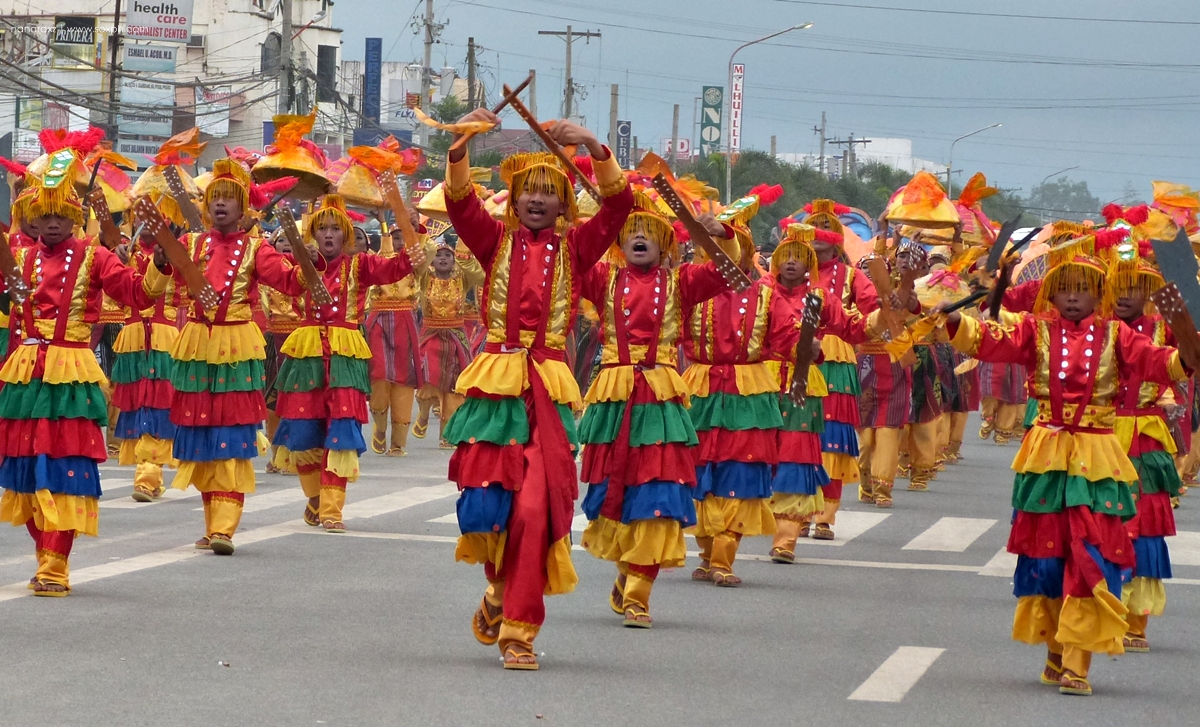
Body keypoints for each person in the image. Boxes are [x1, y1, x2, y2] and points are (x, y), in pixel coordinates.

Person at [942, 246, 1189, 697]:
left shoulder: (1119, 336)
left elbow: (1161, 363)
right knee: (1046, 558)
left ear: (1100, 295)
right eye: (1065, 290)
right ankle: (1056, 649)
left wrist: (1186, 352)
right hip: (1046, 454)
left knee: (1092, 554)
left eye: (1083, 290)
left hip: (1097, 458)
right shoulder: (1035, 331)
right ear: (1052, 296)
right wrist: (953, 319)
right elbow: (989, 341)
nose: (1073, 298)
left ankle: (1079, 662)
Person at [443, 108, 633, 670]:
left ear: (563, 204)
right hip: (495, 388)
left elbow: (619, 207)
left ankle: (519, 631)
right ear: (514, 196)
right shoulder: (491, 240)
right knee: (488, 504)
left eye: (549, 192)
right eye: (528, 190)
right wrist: (462, 142)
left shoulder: (578, 249)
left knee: (535, 509)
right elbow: (460, 203)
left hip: (547, 388)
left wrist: (596, 146)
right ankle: (498, 591)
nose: (537, 199)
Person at [0, 154, 169, 595]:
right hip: (25, 374)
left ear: (75, 216)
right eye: (45, 214)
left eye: (61, 214)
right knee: (25, 470)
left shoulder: (94, 257)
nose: (53, 222)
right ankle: (45, 554)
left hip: (72, 373)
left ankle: (56, 565)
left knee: (64, 468)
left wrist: (163, 262)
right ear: (32, 216)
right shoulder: (17, 256)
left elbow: (138, 294)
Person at [577, 191, 728, 626]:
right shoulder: (602, 277)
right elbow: (571, 262)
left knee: (658, 491)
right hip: (614, 394)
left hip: (660, 394)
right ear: (620, 244)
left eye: (650, 234)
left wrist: (717, 237)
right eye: (631, 233)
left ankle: (639, 592)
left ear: (666, 248)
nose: (639, 238)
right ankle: (628, 568)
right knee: (614, 491)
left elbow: (727, 273)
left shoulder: (682, 282)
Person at [167, 157, 307, 555]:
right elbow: (164, 279)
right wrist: (160, 258)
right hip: (196, 346)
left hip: (235, 347)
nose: (221, 205)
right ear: (207, 205)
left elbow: (289, 281)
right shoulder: (192, 244)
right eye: (216, 199)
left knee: (231, 432)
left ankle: (225, 528)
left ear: (244, 207)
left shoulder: (256, 249)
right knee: (202, 432)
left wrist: (308, 264)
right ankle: (212, 524)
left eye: (230, 199)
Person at [271, 195, 420, 532]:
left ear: (347, 235)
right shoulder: (300, 266)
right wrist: (299, 262)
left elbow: (399, 266)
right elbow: (279, 280)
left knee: (340, 431)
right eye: (321, 228)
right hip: (307, 353)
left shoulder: (361, 264)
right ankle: (315, 497)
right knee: (304, 433)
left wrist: (411, 230)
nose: (327, 235)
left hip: (345, 353)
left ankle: (332, 509)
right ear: (312, 234)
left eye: (335, 229)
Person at [683, 184, 797, 586]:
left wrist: (808, 347)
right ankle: (705, 551)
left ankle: (723, 558)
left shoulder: (766, 297)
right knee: (698, 471)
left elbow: (786, 336)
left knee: (740, 473)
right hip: (700, 385)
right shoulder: (691, 289)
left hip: (748, 392)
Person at [765, 223, 883, 561]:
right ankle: (721, 544)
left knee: (798, 456)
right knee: (752, 456)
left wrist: (887, 312)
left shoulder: (820, 299)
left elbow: (854, 328)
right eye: (784, 255)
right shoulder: (761, 292)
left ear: (809, 266)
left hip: (804, 385)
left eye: (798, 258)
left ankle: (785, 539)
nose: (790, 262)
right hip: (760, 384)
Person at [1106, 241, 1183, 653]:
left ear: (1150, 293)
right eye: (1117, 286)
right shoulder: (1096, 328)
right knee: (1101, 521)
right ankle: (1100, 609)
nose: (1123, 295)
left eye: (1134, 288)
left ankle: (1137, 620)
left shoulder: (1164, 328)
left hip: (1146, 436)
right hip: (1099, 435)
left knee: (1145, 527)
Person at [804, 200, 880, 526]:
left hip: (836, 359)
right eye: (813, 228)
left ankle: (824, 517)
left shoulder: (850, 276)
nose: (819, 234)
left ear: (836, 237)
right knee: (799, 435)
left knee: (831, 439)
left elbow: (873, 307)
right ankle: (798, 512)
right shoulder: (789, 271)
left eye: (826, 228)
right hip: (797, 355)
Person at [111, 226, 189, 501]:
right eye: (139, 217)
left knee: (159, 406)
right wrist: (115, 260)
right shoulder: (124, 251)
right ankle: (149, 474)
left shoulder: (182, 251)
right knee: (137, 406)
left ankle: (147, 476)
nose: (144, 224)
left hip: (163, 338)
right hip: (132, 339)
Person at [365, 220, 430, 456]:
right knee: (379, 375)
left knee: (403, 379)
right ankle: (380, 428)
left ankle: (398, 442)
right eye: (395, 236)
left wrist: (416, 230)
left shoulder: (416, 265)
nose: (398, 241)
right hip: (378, 321)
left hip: (405, 321)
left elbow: (424, 257)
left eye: (403, 237)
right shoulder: (373, 260)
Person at [412, 239, 483, 447]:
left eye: (447, 255)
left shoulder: (462, 278)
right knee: (428, 375)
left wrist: (464, 239)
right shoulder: (426, 277)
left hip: (455, 334)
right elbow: (420, 260)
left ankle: (448, 434)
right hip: (431, 332)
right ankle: (424, 412)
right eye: (439, 255)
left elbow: (479, 275)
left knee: (454, 384)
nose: (443, 259)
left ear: (454, 260)